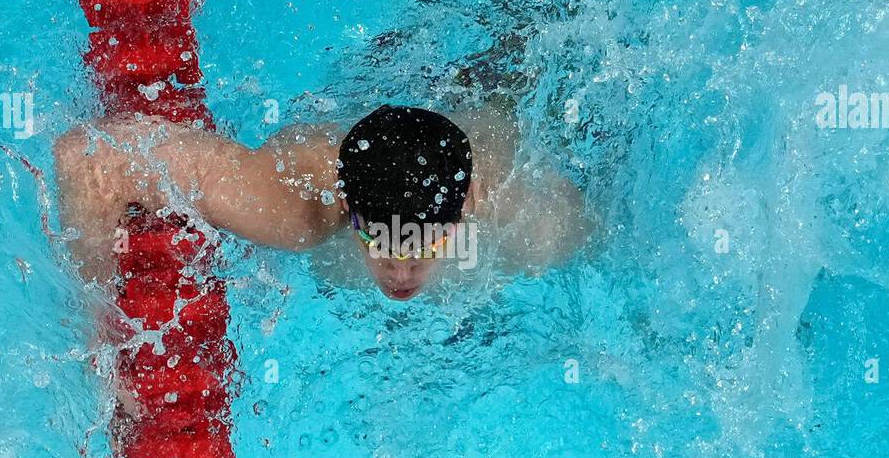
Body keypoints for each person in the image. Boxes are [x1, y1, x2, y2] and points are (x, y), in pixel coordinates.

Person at [53, 82, 590, 301]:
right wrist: (98, 320)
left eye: (421, 248)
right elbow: (87, 158)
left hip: (490, 94)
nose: (399, 274)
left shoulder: (533, 220)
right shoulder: (297, 206)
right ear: (347, 206)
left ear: (466, 205)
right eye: (378, 243)